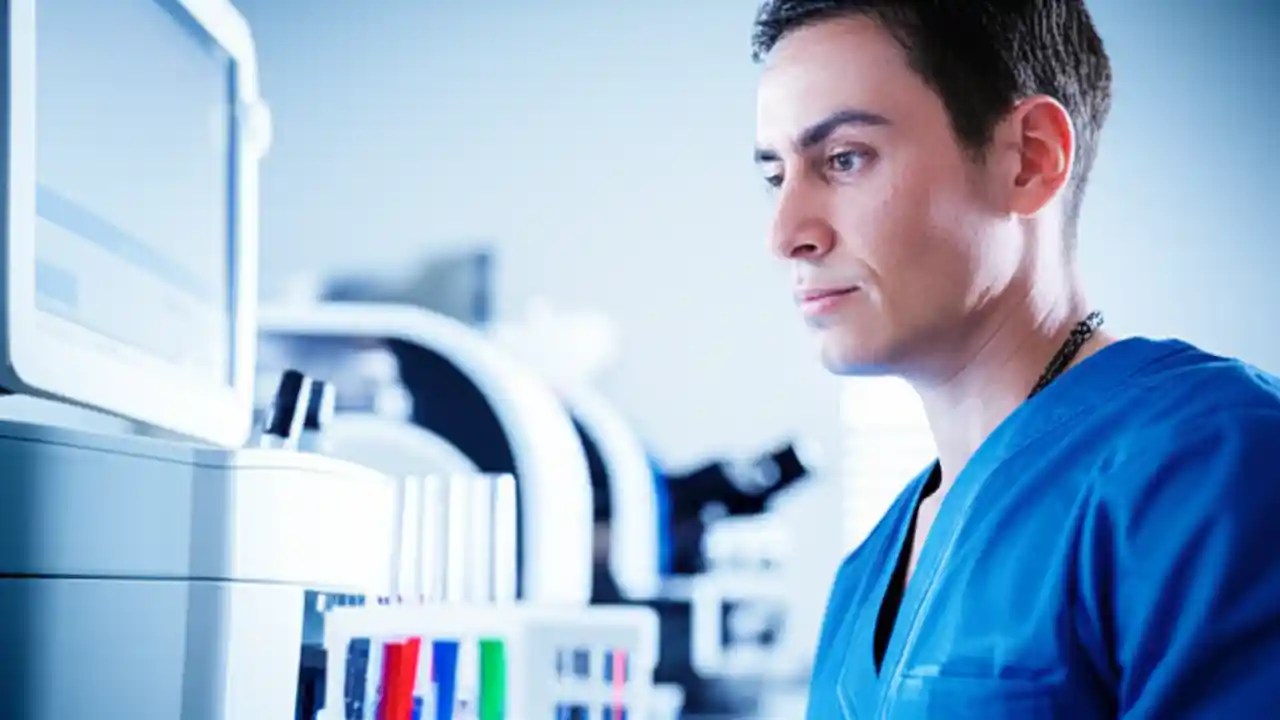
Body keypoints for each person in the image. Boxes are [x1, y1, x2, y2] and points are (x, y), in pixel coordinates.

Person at [749, 1, 1280, 717]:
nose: (787, 234)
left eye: (845, 160)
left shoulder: (1211, 467)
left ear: (1030, 158)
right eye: (776, 175)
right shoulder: (865, 577)